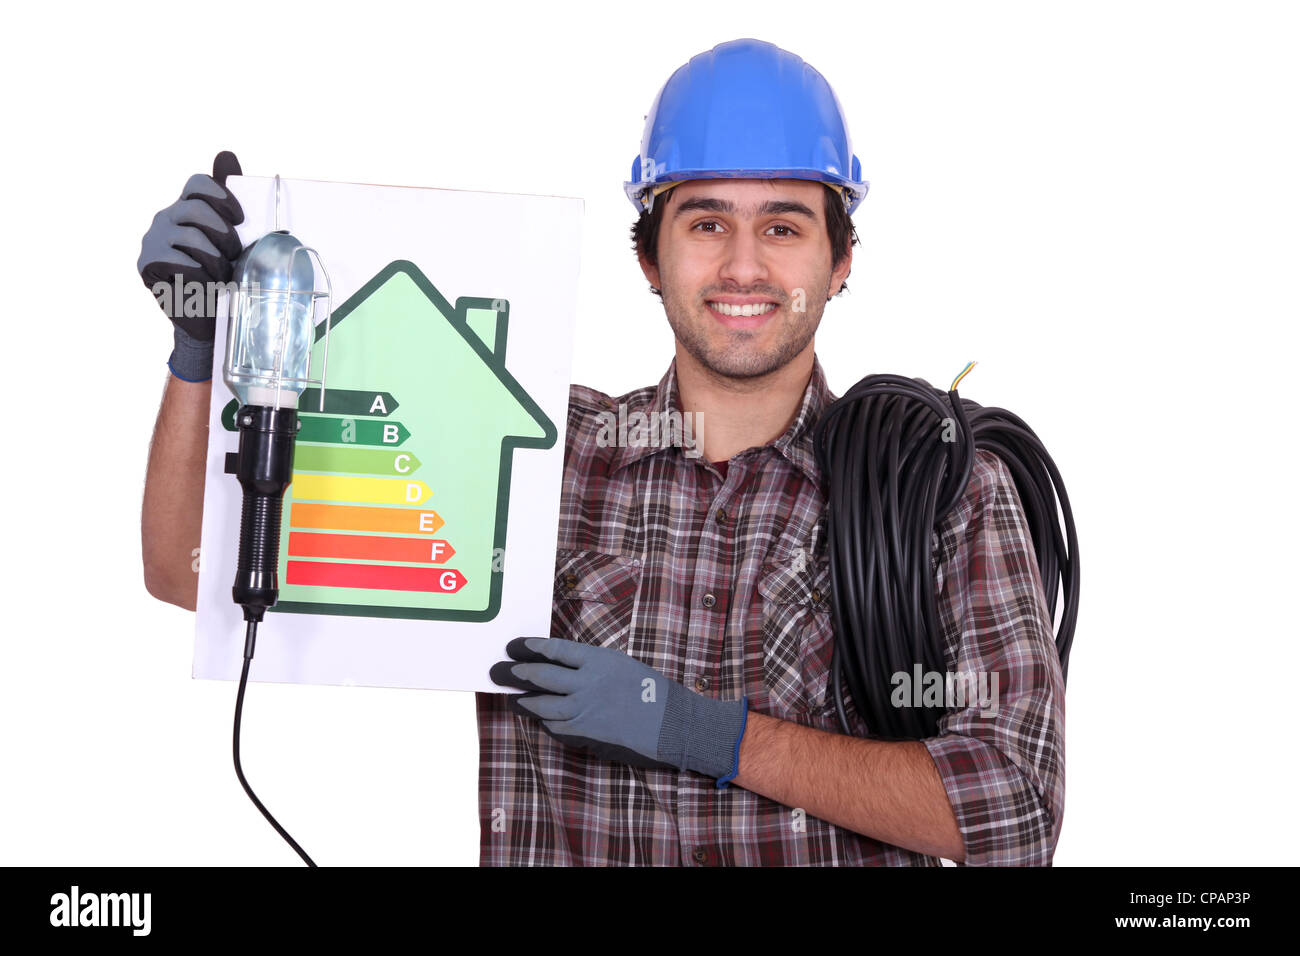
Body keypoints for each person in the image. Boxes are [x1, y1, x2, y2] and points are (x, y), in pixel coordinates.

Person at [139, 38, 1065, 867]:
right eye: (706, 222)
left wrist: (704, 733)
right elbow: (196, 569)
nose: (745, 265)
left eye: (783, 226)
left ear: (840, 260)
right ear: (651, 258)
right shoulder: (539, 453)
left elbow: (1014, 807)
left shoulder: (938, 491)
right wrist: (203, 353)